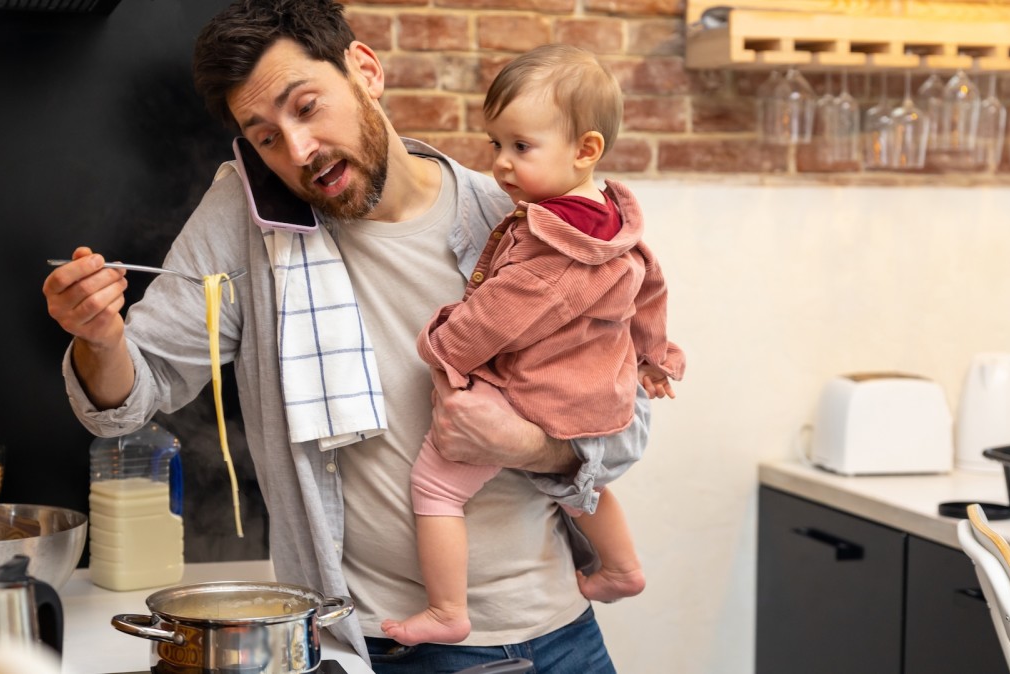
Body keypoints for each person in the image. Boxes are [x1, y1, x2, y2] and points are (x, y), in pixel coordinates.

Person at [40, 1, 651, 671]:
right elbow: (134, 395)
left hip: (563, 630)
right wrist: (99, 337)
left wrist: (528, 445)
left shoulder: (515, 219)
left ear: (364, 69)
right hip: (387, 645)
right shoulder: (248, 221)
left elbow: (623, 428)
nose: (297, 151)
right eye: (265, 136)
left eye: (306, 107)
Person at [380, 44, 685, 647]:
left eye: (521, 147)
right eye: (496, 145)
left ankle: (447, 611)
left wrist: (440, 346)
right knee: (578, 484)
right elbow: (651, 289)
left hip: (539, 393)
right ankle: (622, 568)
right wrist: (655, 357)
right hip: (593, 396)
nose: (500, 164)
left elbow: (493, 319)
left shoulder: (553, 249)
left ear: (585, 149)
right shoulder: (615, 227)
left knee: (436, 487)